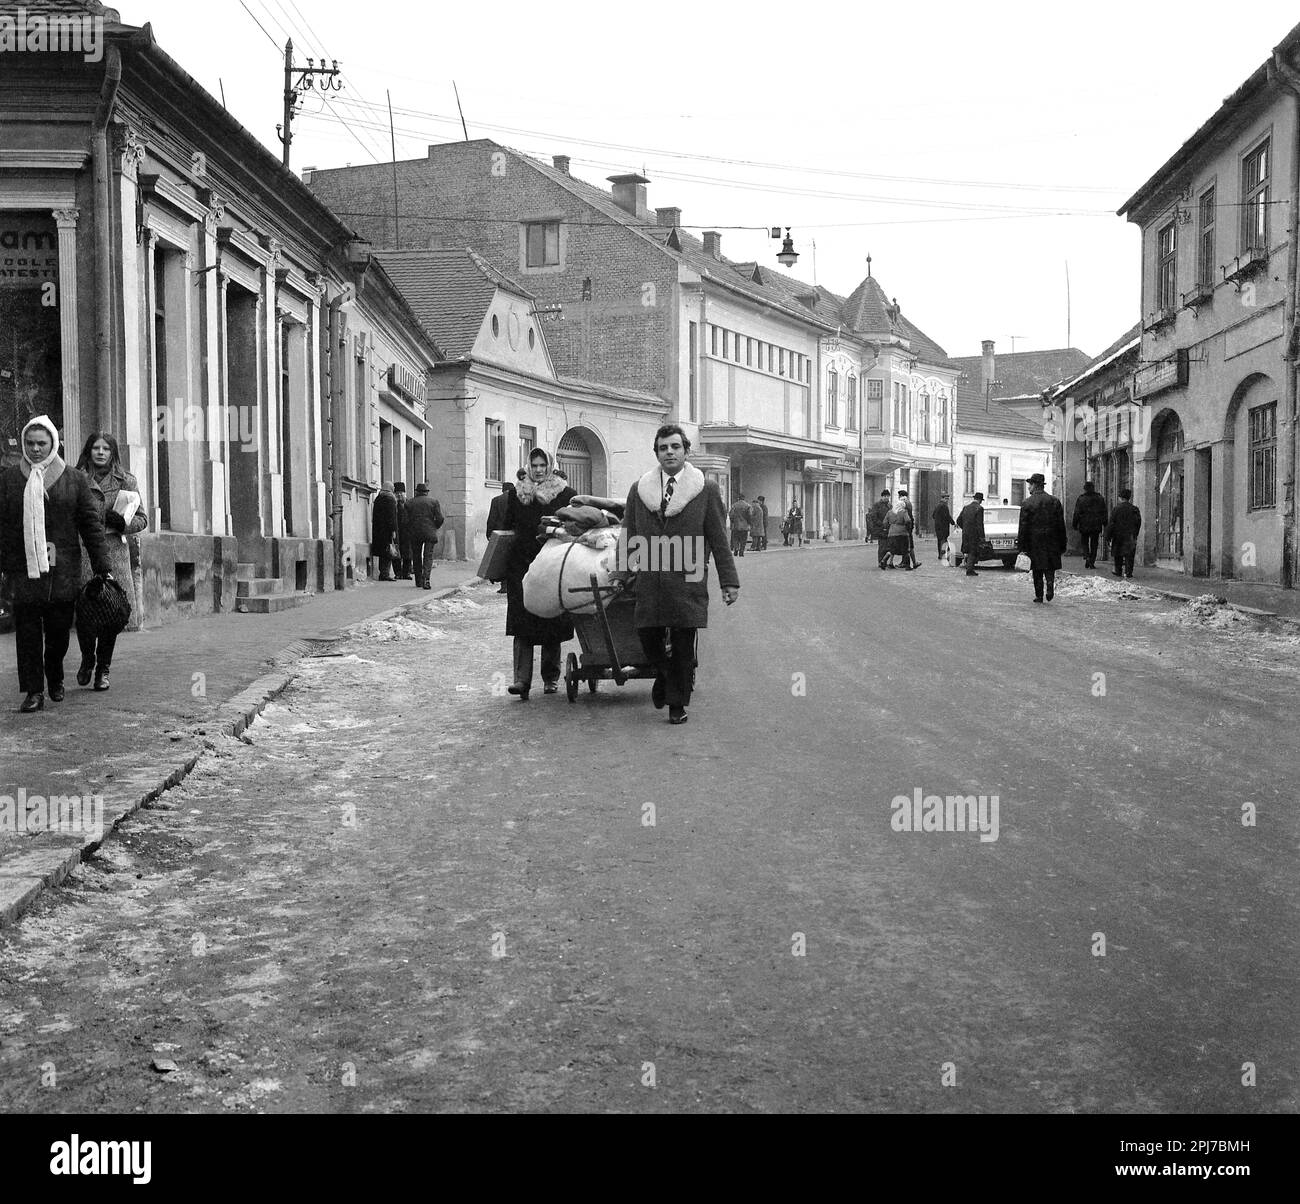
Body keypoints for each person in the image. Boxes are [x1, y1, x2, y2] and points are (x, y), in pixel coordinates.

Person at [618, 424, 738, 725]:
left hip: (688, 575)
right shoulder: (640, 488)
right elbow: (628, 533)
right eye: (663, 448)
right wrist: (621, 571)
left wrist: (729, 581)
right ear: (656, 453)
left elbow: (718, 538)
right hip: (651, 575)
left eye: (675, 447)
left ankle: (676, 705)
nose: (669, 452)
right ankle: (663, 675)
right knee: (648, 636)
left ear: (686, 451)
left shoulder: (705, 489)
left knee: (684, 644)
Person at [0, 416, 113, 713]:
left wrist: (103, 564)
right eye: (30, 443)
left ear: (54, 444)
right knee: (26, 631)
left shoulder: (73, 478)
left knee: (59, 632)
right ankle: (34, 691)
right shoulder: (10, 478)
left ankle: (55, 674)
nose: (35, 449)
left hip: (62, 569)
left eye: (41, 443)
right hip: (23, 567)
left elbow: (90, 524)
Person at [74, 432, 147, 691]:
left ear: (113, 452)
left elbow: (143, 519)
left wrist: (124, 523)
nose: (101, 453)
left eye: (106, 448)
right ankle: (87, 658)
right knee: (85, 611)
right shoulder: (77, 477)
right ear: (89, 450)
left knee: (111, 613)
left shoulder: (126, 480)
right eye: (96, 448)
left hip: (115, 551)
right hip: (85, 553)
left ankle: (103, 669)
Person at [503, 447, 576, 699]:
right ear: (528, 466)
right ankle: (521, 680)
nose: (538, 469)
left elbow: (573, 528)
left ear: (550, 466)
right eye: (533, 465)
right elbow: (506, 530)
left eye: (542, 465)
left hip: (551, 564)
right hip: (521, 567)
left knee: (550, 619)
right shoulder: (517, 494)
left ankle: (550, 678)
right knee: (521, 622)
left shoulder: (564, 493)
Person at [1017, 472, 1067, 603]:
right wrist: (1063, 543)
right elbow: (1061, 525)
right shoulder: (1054, 501)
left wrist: (1021, 546)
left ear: (1035, 485)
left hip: (1034, 542)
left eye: (1030, 485)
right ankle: (1050, 585)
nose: (1028, 488)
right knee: (1049, 566)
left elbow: (1023, 527)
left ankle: (1039, 595)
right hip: (1052, 540)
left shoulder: (1027, 503)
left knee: (1037, 568)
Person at [406, 484, 445, 589]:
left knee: (416, 556)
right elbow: (440, 518)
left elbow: (405, 520)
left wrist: (410, 528)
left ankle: (418, 581)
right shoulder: (433, 502)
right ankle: (426, 580)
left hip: (415, 533)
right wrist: (434, 526)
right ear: (426, 492)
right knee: (428, 556)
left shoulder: (409, 503)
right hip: (429, 532)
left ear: (416, 492)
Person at [1071, 480, 1108, 569]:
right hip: (1096, 524)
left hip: (1084, 524)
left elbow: (1077, 513)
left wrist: (1075, 524)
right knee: (1094, 543)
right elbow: (1104, 512)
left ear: (1084, 489)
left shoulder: (1081, 498)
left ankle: (1087, 556)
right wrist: (1105, 523)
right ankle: (1092, 561)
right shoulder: (1100, 498)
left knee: (1084, 542)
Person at [486, 481, 514, 594]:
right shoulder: (518, 500)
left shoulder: (496, 500)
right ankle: (512, 584)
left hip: (500, 533)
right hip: (514, 533)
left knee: (502, 559)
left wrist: (489, 534)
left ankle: (504, 585)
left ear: (502, 489)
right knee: (513, 559)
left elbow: (491, 519)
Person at [1108, 487, 1142, 579]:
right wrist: (1135, 534)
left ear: (1120, 498)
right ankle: (1128, 572)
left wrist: (1108, 536)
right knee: (1129, 555)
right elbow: (1138, 522)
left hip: (1118, 535)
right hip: (1130, 535)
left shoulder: (1116, 509)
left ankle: (1118, 570)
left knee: (1118, 554)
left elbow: (1111, 523)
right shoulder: (1134, 509)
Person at [370, 482, 399, 581]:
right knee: (388, 551)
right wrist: (393, 530)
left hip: (378, 530)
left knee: (382, 552)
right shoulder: (390, 499)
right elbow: (392, 517)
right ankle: (385, 574)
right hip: (387, 530)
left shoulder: (378, 498)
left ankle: (382, 573)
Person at [955, 492, 985, 577]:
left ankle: (969, 567)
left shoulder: (966, 507)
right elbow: (980, 524)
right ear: (980, 500)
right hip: (974, 534)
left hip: (965, 533)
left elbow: (958, 520)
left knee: (967, 550)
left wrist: (964, 527)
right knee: (973, 551)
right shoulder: (979, 508)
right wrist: (982, 537)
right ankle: (969, 569)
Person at [885, 497, 913, 570]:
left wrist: (889, 527)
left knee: (891, 549)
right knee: (905, 550)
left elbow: (885, 522)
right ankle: (908, 566)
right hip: (902, 533)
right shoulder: (903, 511)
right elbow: (908, 521)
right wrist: (908, 528)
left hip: (891, 533)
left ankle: (883, 561)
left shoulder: (890, 512)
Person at [393, 483, 413, 579]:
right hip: (396, 531)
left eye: (401, 493)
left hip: (407, 531)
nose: (400, 495)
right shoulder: (393, 504)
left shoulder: (409, 504)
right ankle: (398, 573)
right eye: (397, 493)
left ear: (405, 493)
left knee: (407, 553)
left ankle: (407, 573)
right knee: (396, 552)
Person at [868, 490, 892, 568]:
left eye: (888, 496)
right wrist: (881, 524)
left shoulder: (890, 505)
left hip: (889, 528)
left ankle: (884, 561)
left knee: (888, 546)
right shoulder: (877, 505)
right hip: (880, 528)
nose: (886, 498)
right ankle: (880, 561)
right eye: (885, 496)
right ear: (882, 497)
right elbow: (873, 516)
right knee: (882, 545)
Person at [897, 488, 920, 569]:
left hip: (906, 527)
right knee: (907, 545)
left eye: (899, 496)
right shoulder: (908, 503)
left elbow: (904, 516)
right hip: (908, 526)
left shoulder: (904, 503)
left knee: (908, 545)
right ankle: (906, 562)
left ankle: (911, 563)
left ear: (901, 496)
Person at [932, 493, 955, 563]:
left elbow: (933, 515)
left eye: (947, 499)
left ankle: (940, 555)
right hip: (943, 527)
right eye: (946, 499)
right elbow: (947, 516)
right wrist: (953, 523)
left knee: (940, 541)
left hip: (937, 527)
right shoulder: (944, 506)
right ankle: (945, 555)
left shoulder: (937, 506)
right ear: (943, 498)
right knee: (945, 541)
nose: (947, 500)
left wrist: (937, 521)